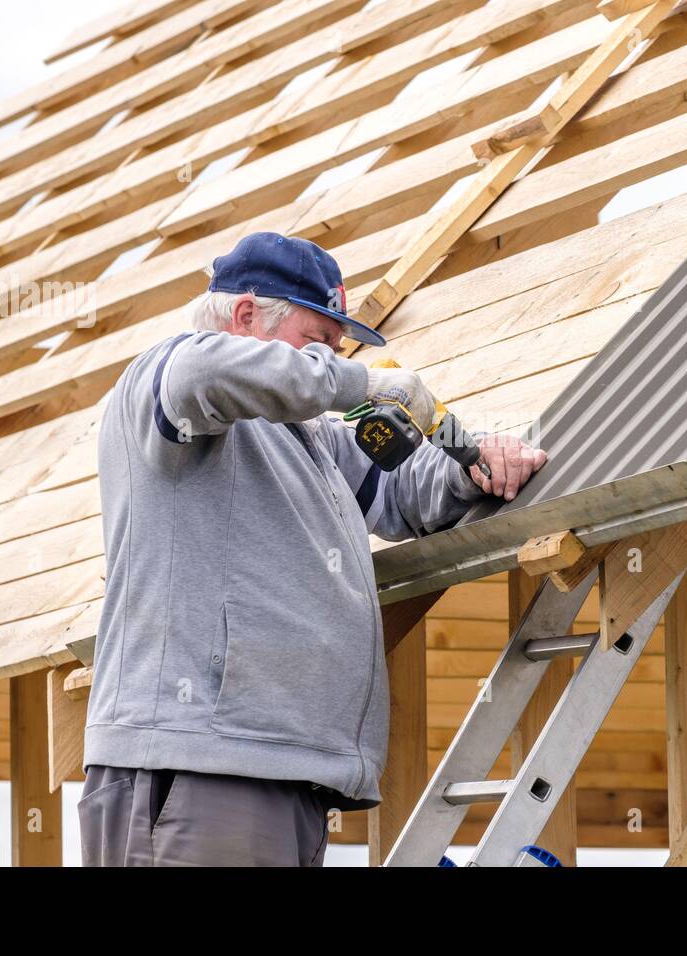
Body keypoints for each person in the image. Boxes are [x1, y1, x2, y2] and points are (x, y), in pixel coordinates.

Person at [78, 232, 546, 866]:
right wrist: (362, 383)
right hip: (200, 766)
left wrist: (474, 465)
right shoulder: (165, 382)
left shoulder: (311, 441)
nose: (330, 363)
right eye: (317, 343)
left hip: (284, 773)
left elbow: (410, 494)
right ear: (245, 316)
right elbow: (205, 371)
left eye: (337, 349)